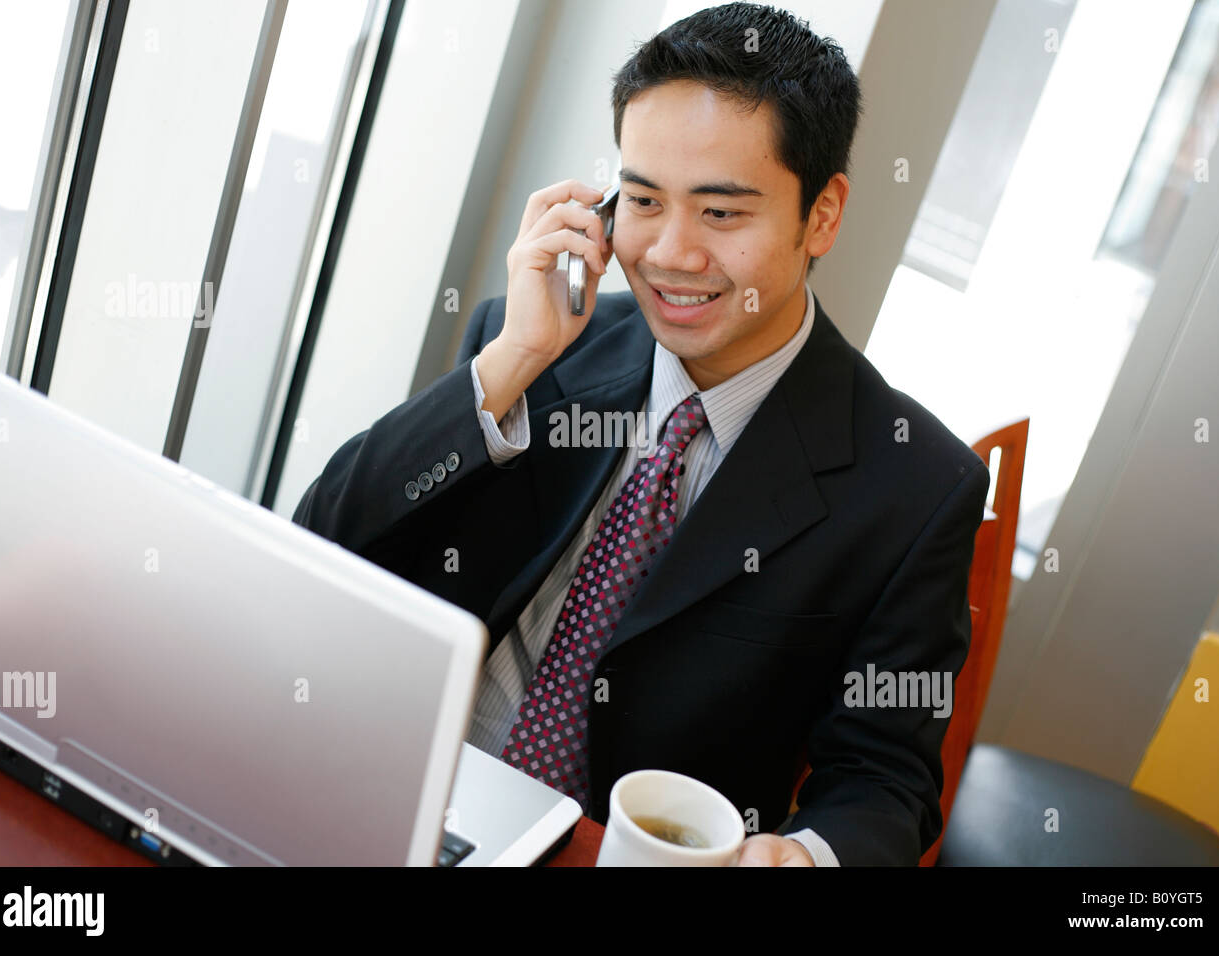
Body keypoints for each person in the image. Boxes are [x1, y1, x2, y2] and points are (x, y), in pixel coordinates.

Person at [293, 2, 989, 867]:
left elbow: (886, 782)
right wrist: (508, 364)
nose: (670, 253)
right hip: (414, 797)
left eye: (723, 215)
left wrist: (805, 857)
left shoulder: (914, 489)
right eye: (644, 201)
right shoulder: (535, 348)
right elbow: (323, 540)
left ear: (822, 214)